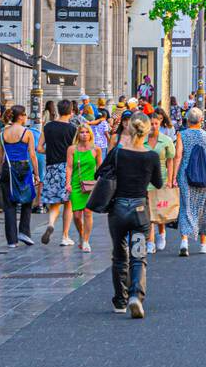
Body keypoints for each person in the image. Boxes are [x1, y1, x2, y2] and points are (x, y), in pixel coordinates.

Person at [105, 112, 162, 318]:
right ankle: (136, 295)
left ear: (128, 129)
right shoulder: (151, 155)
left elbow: (101, 173)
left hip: (118, 209)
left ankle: (120, 300)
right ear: (147, 131)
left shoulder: (118, 153)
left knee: (119, 255)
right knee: (138, 255)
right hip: (139, 210)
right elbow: (158, 183)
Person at [175, 107, 206, 256]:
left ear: (187, 120)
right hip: (204, 176)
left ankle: (184, 241)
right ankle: (203, 243)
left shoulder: (181, 135)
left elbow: (178, 157)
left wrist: (173, 178)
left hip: (185, 175)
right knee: (204, 208)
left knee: (186, 206)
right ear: (202, 120)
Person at [0, 105, 40, 248]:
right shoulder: (27, 133)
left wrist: (2, 171)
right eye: (25, 115)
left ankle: (11, 240)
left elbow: (1, 155)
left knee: (9, 204)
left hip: (8, 168)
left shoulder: (3, 133)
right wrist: (36, 174)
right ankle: (24, 231)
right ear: (21, 116)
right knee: (28, 198)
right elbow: (32, 155)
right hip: (23, 167)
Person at [40, 99, 78, 245]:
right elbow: (75, 150)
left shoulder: (48, 127)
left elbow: (39, 148)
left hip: (51, 168)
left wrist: (49, 153)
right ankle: (65, 236)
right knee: (68, 203)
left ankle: (50, 224)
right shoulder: (72, 129)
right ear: (71, 111)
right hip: (67, 168)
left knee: (54, 203)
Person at [66, 120, 101, 252]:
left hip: (91, 184)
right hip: (76, 184)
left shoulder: (95, 149)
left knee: (87, 212)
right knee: (76, 215)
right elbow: (69, 167)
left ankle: (86, 240)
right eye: (82, 132)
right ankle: (81, 234)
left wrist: (100, 183)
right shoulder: (72, 149)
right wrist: (67, 183)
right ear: (78, 134)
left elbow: (99, 168)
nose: (84, 134)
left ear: (91, 134)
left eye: (87, 132)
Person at [147, 111, 179, 254]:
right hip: (145, 179)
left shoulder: (165, 140)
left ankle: (162, 233)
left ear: (160, 124)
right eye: (151, 124)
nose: (154, 126)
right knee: (148, 211)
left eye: (156, 124)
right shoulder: (142, 140)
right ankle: (150, 241)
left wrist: (171, 180)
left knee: (159, 209)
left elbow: (170, 161)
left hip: (161, 177)